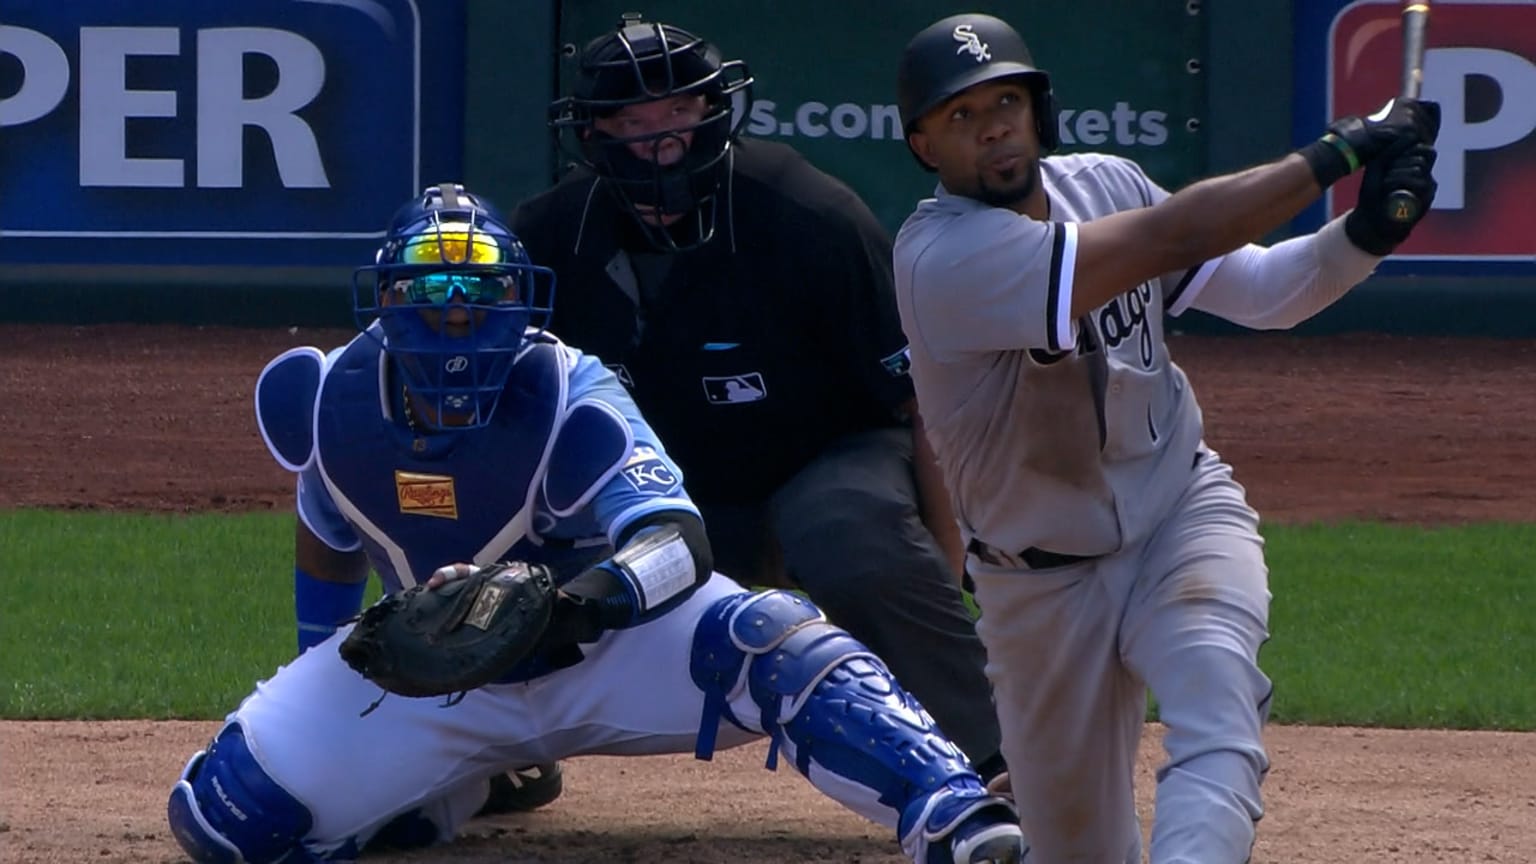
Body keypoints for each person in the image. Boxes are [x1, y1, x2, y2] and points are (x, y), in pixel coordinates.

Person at [165, 183, 1027, 864]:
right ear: (387, 305)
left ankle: (949, 811)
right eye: (431, 298)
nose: (454, 320)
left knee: (775, 638)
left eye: (478, 298)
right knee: (226, 814)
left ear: (518, 303)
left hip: (602, 648)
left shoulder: (571, 392)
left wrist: (570, 608)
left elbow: (676, 546)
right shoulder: (324, 396)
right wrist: (328, 657)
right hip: (437, 666)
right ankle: (458, 787)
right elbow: (329, 529)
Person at [890, 12, 1439, 864]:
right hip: (1039, 585)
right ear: (925, 149)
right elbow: (1176, 235)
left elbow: (1262, 292)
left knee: (1218, 704)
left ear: (1040, 111)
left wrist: (1364, 236)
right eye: (959, 116)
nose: (992, 125)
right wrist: (1340, 152)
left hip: (1180, 508)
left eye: (1006, 100)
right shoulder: (941, 258)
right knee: (1079, 850)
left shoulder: (1105, 181)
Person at [509, 13, 1007, 785]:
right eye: (632, 120)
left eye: (678, 111)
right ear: (593, 132)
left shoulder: (809, 214)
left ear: (715, 111)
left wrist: (944, 570)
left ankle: (995, 758)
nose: (660, 139)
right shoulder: (550, 237)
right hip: (663, 493)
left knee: (848, 527)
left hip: (823, 458)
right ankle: (486, 754)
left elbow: (921, 405)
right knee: (525, 544)